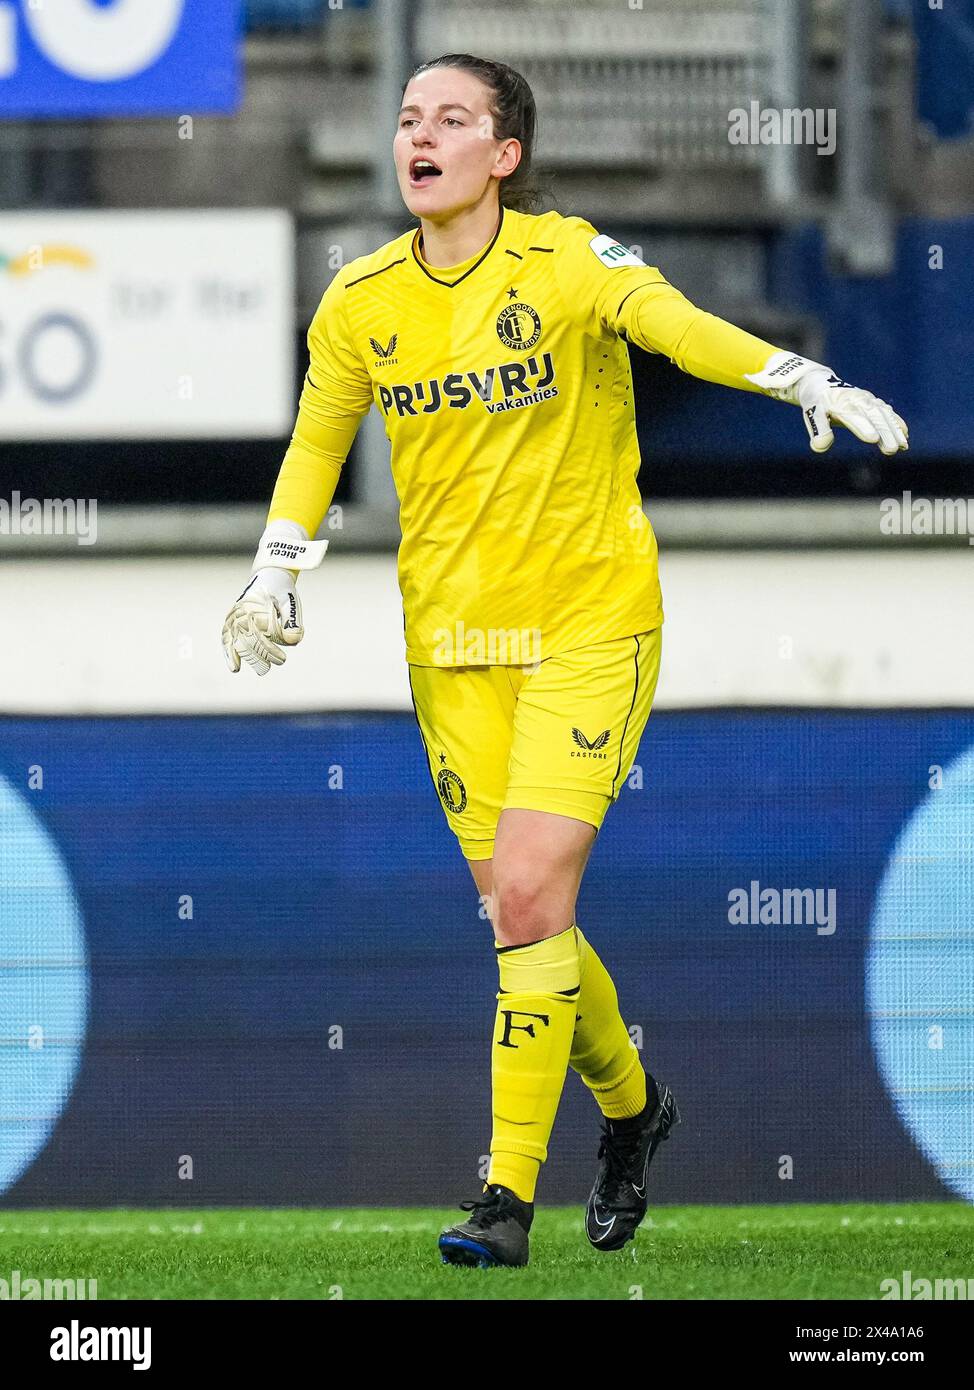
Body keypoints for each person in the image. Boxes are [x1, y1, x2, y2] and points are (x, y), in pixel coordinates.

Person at [222, 53, 908, 1268]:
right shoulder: (361, 299)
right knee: (522, 913)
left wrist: (792, 372)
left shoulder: (571, 262)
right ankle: (635, 1110)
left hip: (588, 625)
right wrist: (275, 563)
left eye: (450, 119)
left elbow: (674, 327)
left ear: (504, 156)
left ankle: (502, 1196)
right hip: (450, 645)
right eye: (404, 118)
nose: (416, 135)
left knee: (530, 897)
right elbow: (317, 439)